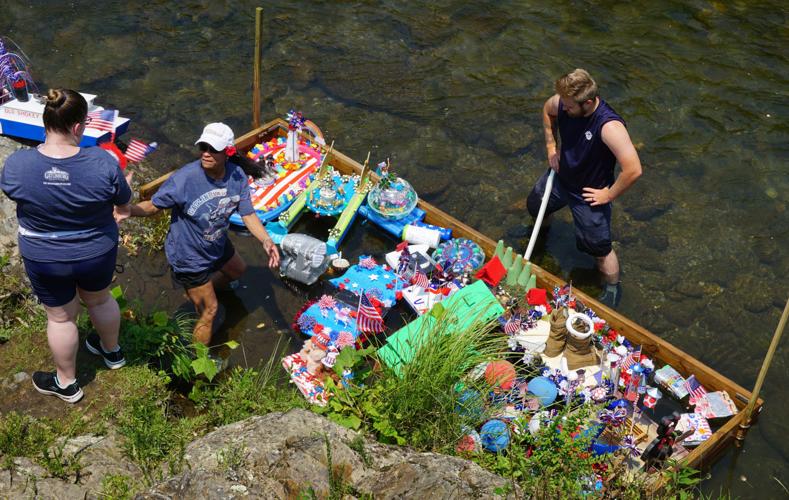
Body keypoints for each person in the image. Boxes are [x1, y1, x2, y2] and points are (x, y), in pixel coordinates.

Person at [0, 89, 132, 403]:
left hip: (45, 256)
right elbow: (124, 205)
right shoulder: (103, 161)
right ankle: (112, 352)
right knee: (99, 301)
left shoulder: (18, 164)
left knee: (60, 318)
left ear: (45, 122)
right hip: (96, 251)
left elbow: (17, 195)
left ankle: (67, 383)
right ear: (76, 128)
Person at [120, 122, 280, 345]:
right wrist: (129, 211)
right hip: (188, 255)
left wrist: (266, 240)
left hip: (216, 241)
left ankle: (197, 292)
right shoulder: (185, 179)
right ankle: (198, 360)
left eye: (212, 149)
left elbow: (248, 214)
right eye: (202, 147)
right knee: (210, 310)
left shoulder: (237, 177)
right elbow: (154, 205)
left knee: (238, 270)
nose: (206, 153)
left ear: (228, 152)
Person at [528, 69, 642, 308]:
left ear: (587, 103)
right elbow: (548, 111)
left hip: (589, 195)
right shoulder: (562, 102)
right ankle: (542, 234)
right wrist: (551, 149)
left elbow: (633, 169)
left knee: (600, 250)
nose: (564, 109)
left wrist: (608, 194)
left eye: (569, 107)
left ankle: (612, 287)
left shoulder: (609, 127)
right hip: (561, 178)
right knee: (536, 205)